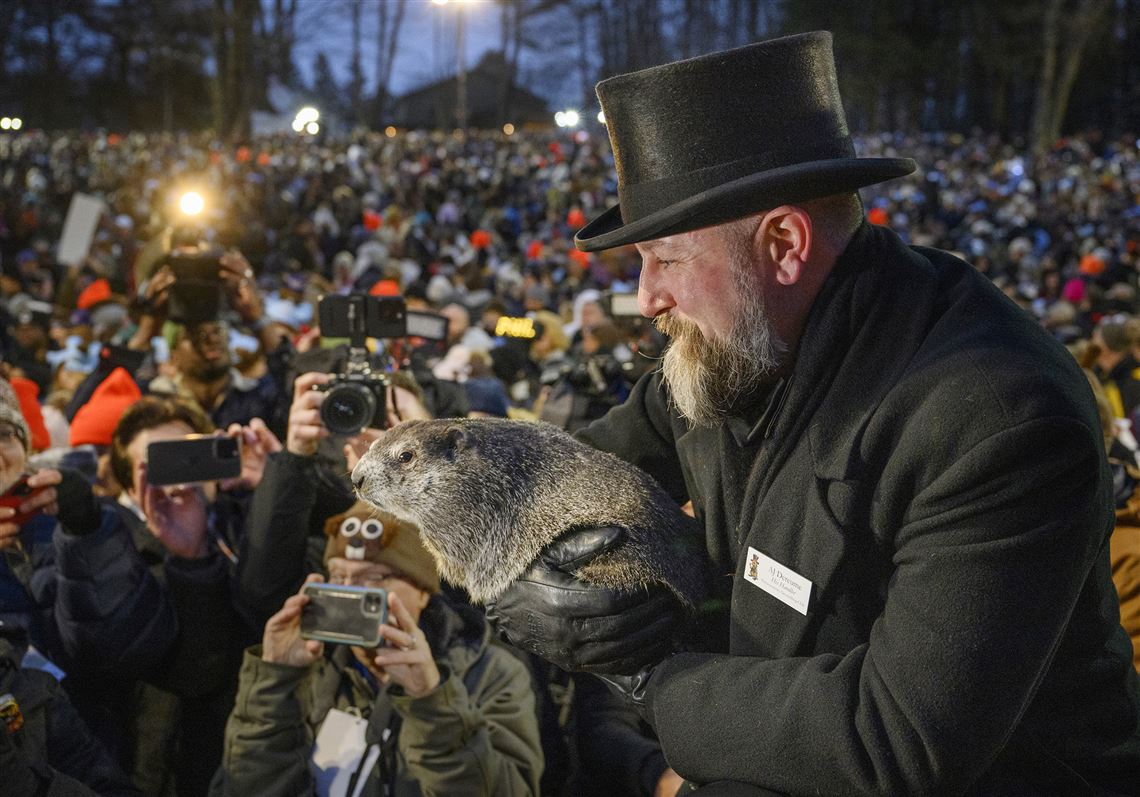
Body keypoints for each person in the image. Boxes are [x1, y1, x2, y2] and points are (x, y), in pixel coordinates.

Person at [486, 32, 1140, 795]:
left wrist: (649, 680)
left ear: (784, 243)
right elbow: (570, 473)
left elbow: (897, 735)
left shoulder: (999, 418)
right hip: (775, 741)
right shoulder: (737, 343)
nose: (647, 297)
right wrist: (484, 534)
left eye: (666, 259)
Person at [214, 500, 543, 796]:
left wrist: (432, 701)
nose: (351, 593)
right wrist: (275, 682)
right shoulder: (313, 666)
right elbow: (242, 786)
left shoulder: (489, 675)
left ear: (423, 592)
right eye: (339, 576)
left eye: (375, 579)